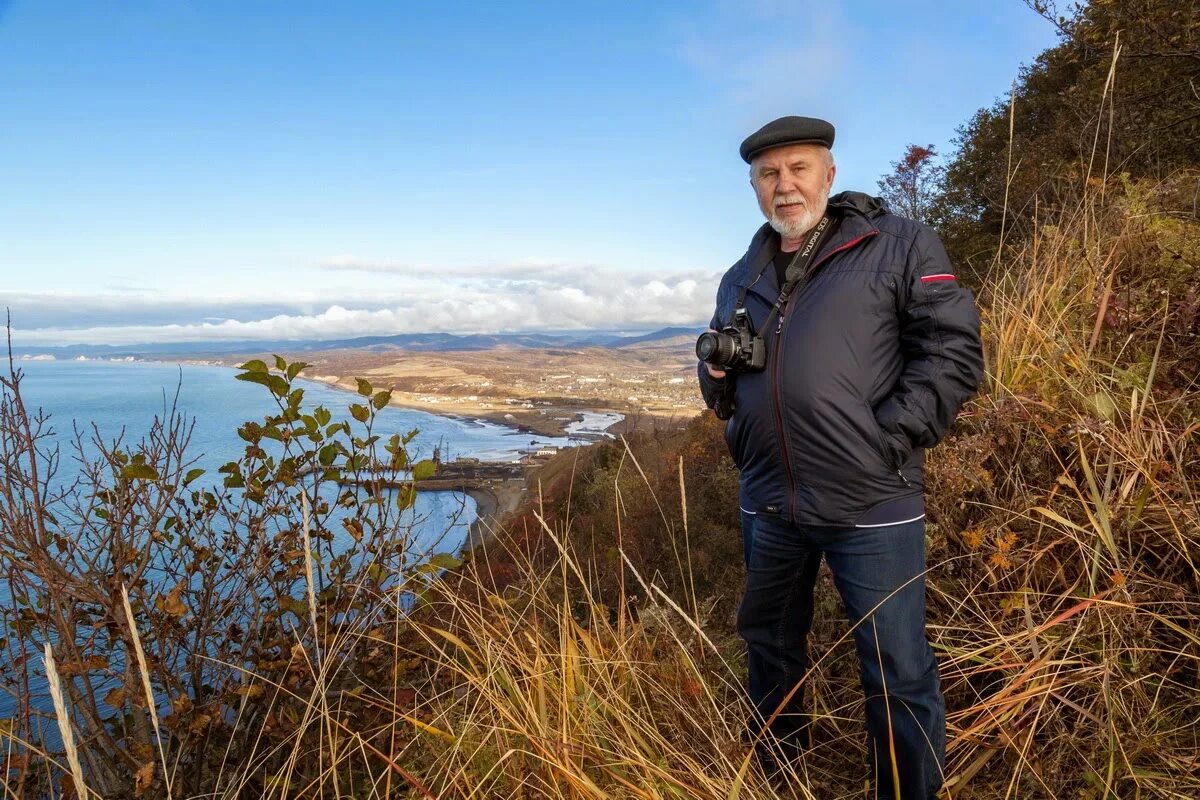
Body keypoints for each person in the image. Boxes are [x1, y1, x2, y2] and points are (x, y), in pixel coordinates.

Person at [697, 116, 983, 799]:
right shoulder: (743, 274)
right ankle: (778, 778)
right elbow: (730, 388)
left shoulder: (899, 244)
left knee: (897, 666)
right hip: (769, 497)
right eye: (769, 175)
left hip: (871, 497)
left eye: (798, 169)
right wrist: (717, 393)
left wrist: (888, 440)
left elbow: (953, 351)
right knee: (769, 646)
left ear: (828, 173)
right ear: (754, 188)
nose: (784, 186)